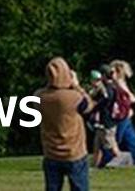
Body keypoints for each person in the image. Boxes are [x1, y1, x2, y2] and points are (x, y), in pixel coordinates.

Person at [36, 57, 96, 191]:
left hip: (51, 153)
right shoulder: (73, 97)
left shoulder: (39, 97)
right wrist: (76, 85)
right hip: (74, 152)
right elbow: (89, 106)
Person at [108, 60, 135, 166]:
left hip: (125, 118)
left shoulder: (120, 84)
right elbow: (131, 98)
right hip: (117, 118)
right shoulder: (113, 85)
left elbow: (131, 99)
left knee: (133, 141)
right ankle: (108, 161)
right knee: (116, 141)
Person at [87, 69, 122, 168]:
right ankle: (95, 165)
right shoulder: (111, 88)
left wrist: (94, 106)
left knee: (110, 144)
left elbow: (104, 102)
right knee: (97, 145)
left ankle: (119, 162)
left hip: (106, 121)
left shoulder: (108, 89)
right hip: (104, 121)